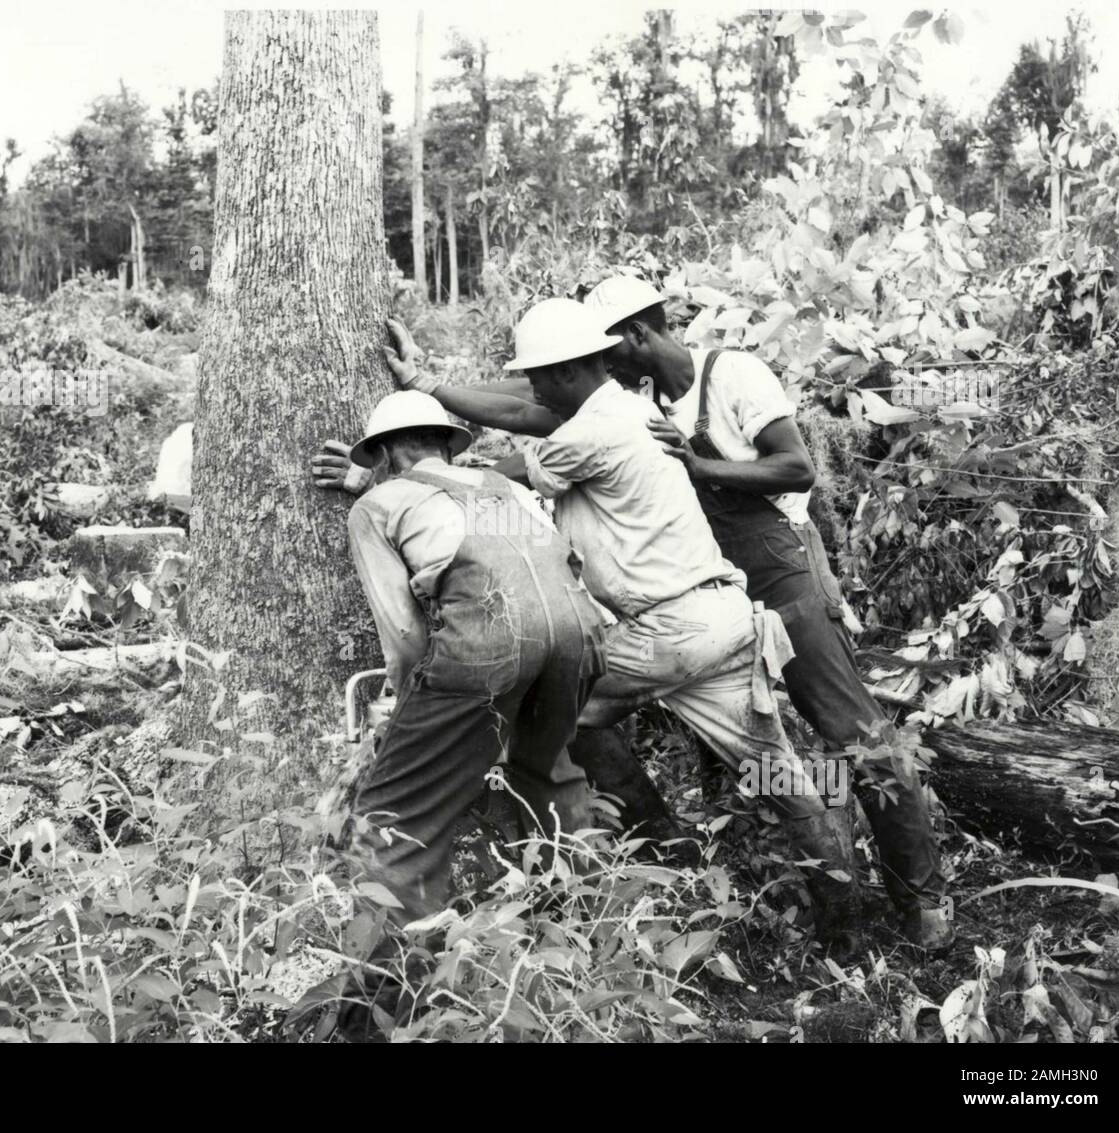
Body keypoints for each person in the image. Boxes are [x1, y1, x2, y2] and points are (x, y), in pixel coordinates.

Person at [333, 299, 865, 949]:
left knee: (536, 703)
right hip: (725, 621)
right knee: (785, 781)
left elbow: (495, 476)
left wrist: (387, 488)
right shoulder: (631, 408)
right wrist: (428, 387)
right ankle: (849, 932)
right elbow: (525, 415)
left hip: (663, 634)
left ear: (563, 375)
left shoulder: (588, 433)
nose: (531, 390)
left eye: (538, 377)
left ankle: (642, 858)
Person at [570, 275, 949, 948]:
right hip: (719, 593)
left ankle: (921, 898)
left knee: (853, 734)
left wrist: (701, 468)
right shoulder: (647, 400)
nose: (608, 370)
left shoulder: (732, 373)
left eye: (612, 353)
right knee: (754, 746)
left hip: (782, 576)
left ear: (637, 335)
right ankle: (806, 878)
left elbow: (795, 467)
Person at [340, 389, 608, 922]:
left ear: (386, 455)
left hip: (490, 644)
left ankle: (391, 970)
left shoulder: (375, 506)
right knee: (548, 772)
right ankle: (591, 924)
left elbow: (403, 633)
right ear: (447, 445)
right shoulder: (505, 487)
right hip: (581, 633)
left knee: (396, 811)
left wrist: (410, 706)